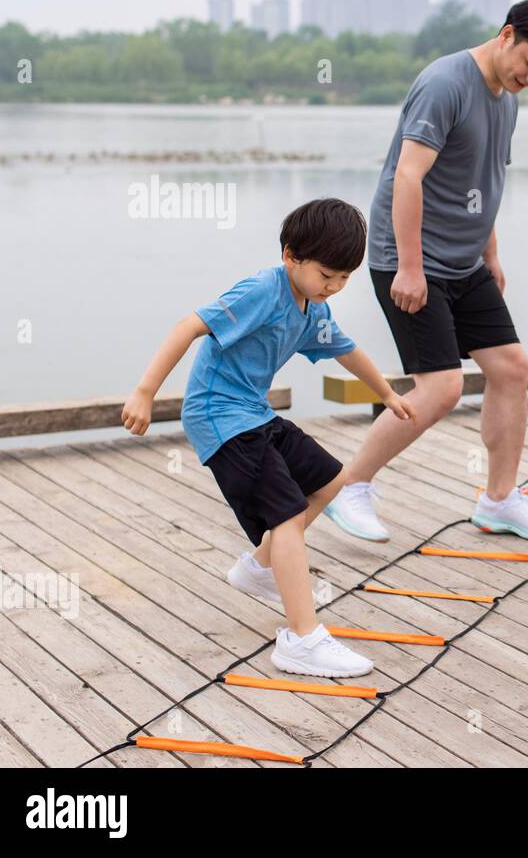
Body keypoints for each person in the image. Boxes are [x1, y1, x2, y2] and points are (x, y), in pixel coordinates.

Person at [121, 199, 415, 678]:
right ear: (290, 256)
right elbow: (189, 326)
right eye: (326, 275)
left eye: (344, 278)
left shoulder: (314, 308)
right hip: (219, 415)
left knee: (329, 481)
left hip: (253, 413)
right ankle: (301, 640)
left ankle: (259, 568)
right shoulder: (263, 290)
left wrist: (386, 393)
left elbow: (347, 350)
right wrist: (144, 392)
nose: (333, 287)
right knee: (287, 513)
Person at [324, 0, 528, 544]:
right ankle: (350, 487)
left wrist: (491, 255)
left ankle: (499, 501)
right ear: (506, 35)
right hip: (408, 258)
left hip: (465, 261)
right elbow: (407, 177)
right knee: (440, 388)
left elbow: (482, 183)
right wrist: (410, 268)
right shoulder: (445, 84)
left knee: (511, 367)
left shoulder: (507, 99)